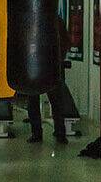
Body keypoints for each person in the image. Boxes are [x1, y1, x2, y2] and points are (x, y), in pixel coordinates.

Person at [25, 16, 73, 144]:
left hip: (42, 66)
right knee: (54, 102)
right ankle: (58, 133)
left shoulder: (36, 22)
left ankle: (40, 133)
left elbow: (65, 42)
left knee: (44, 101)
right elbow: (66, 42)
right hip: (48, 66)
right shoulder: (55, 21)